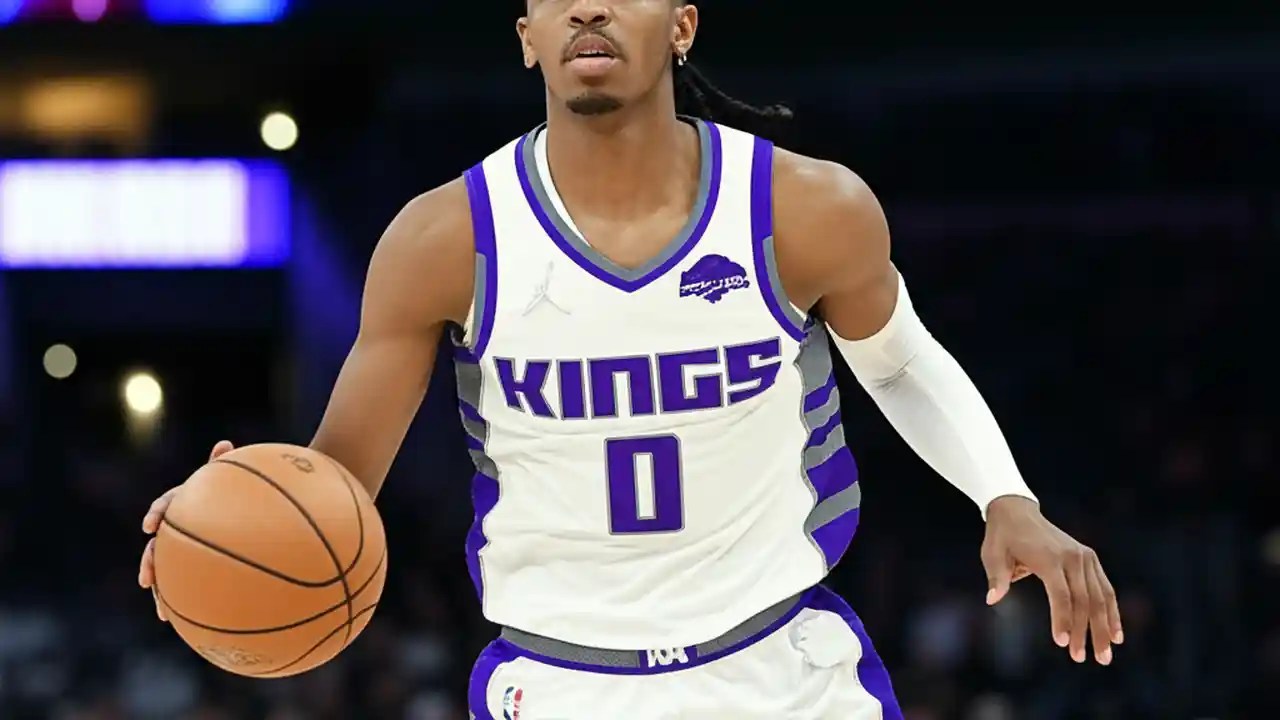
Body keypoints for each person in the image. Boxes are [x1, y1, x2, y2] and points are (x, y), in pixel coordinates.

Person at [139, 2, 1123, 718]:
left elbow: (899, 364)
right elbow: (337, 480)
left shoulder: (803, 208)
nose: (590, 8)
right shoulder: (443, 239)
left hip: (783, 671)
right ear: (526, 34)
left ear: (682, 26)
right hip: (560, 681)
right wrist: (228, 515)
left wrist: (1006, 499)